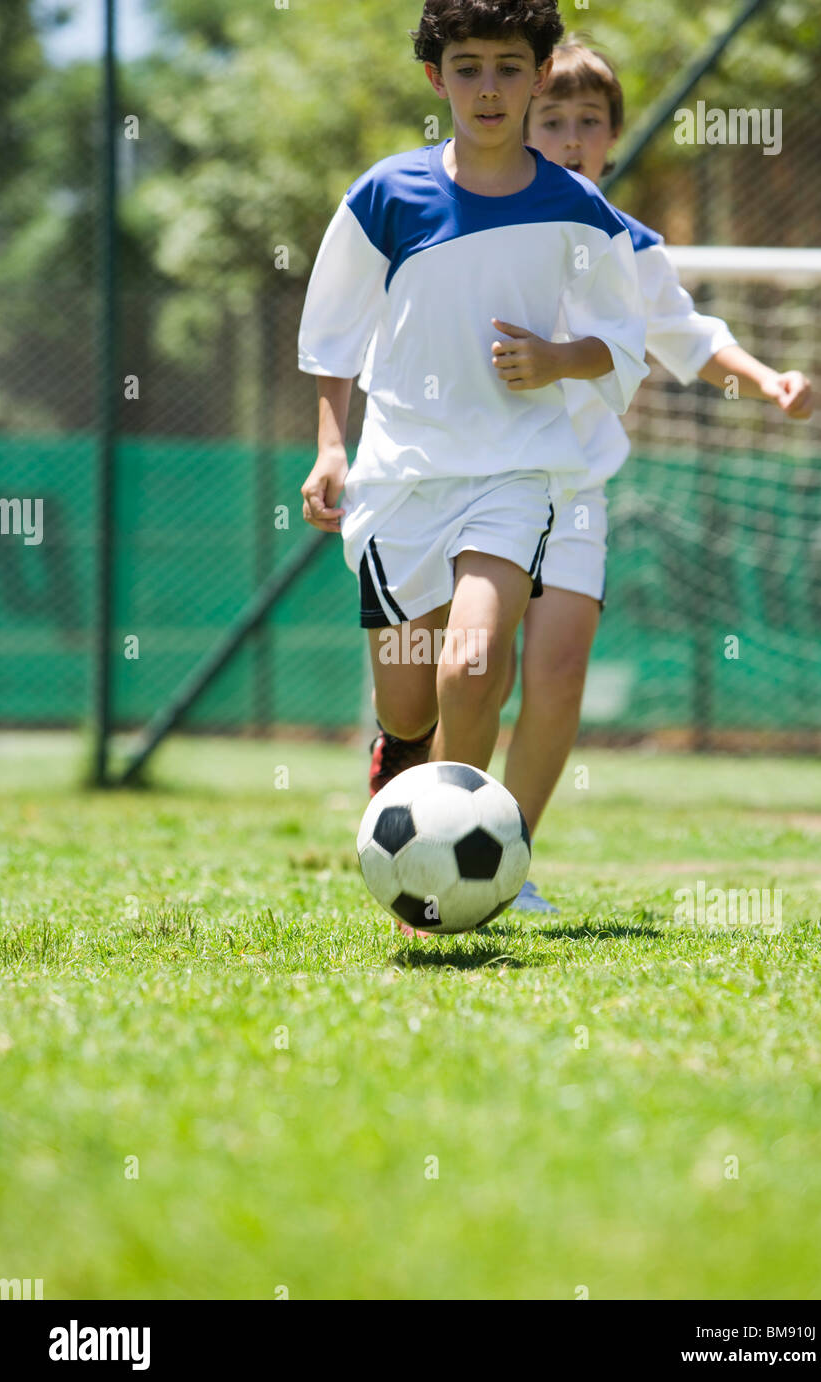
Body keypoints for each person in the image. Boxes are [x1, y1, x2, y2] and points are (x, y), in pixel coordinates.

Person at [298, 3, 649, 935]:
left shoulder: (578, 210)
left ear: (539, 76)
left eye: (507, 67)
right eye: (466, 68)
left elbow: (624, 342)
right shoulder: (385, 194)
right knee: (408, 696)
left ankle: (455, 868)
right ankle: (402, 762)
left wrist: (559, 359)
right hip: (401, 478)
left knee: (478, 658)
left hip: (516, 472)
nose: (487, 87)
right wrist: (333, 445)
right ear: (435, 79)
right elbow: (333, 334)